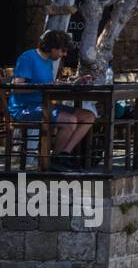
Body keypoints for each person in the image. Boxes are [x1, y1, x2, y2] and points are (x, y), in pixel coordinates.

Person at [7, 30, 95, 169]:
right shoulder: (28, 57)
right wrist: (43, 86)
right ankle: (53, 161)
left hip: (45, 105)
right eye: (62, 51)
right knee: (70, 120)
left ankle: (63, 155)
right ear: (53, 48)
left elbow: (49, 85)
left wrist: (74, 82)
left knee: (88, 116)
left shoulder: (48, 61)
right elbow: (17, 87)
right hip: (25, 108)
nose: (64, 54)